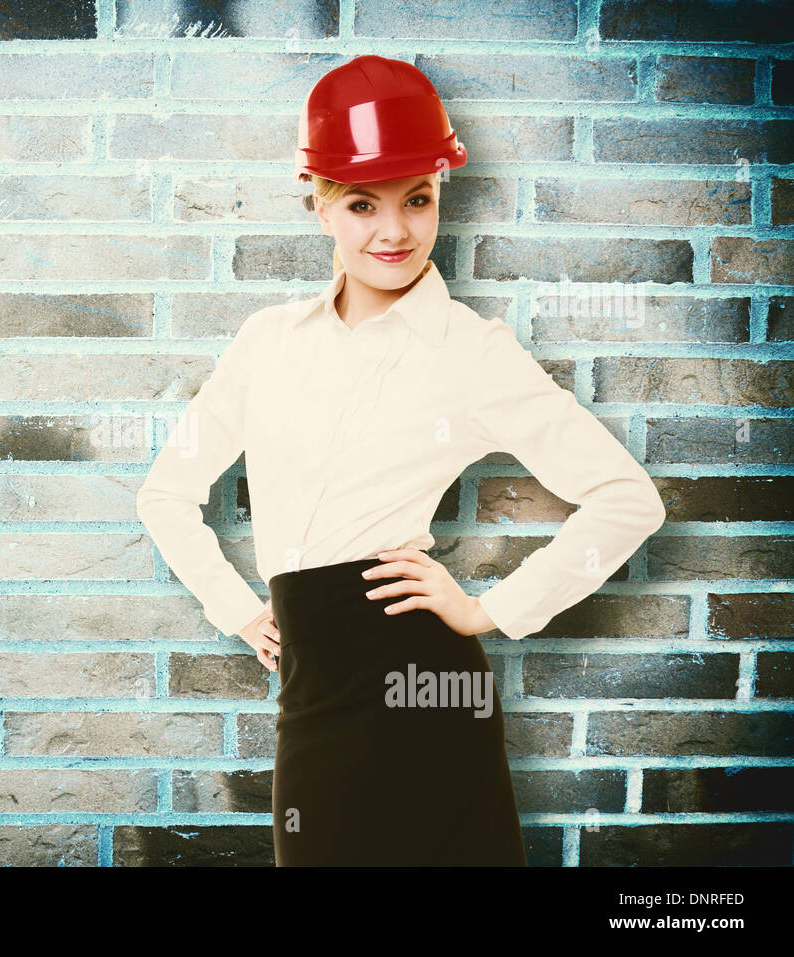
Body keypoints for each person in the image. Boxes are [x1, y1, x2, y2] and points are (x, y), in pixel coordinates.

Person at [135, 55, 666, 866]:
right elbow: (165, 495)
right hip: (311, 691)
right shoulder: (267, 345)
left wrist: (492, 609)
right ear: (320, 207)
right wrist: (238, 609)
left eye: (417, 198)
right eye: (362, 203)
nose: (395, 231)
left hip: (426, 687)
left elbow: (629, 498)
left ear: (440, 193)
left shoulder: (471, 350)